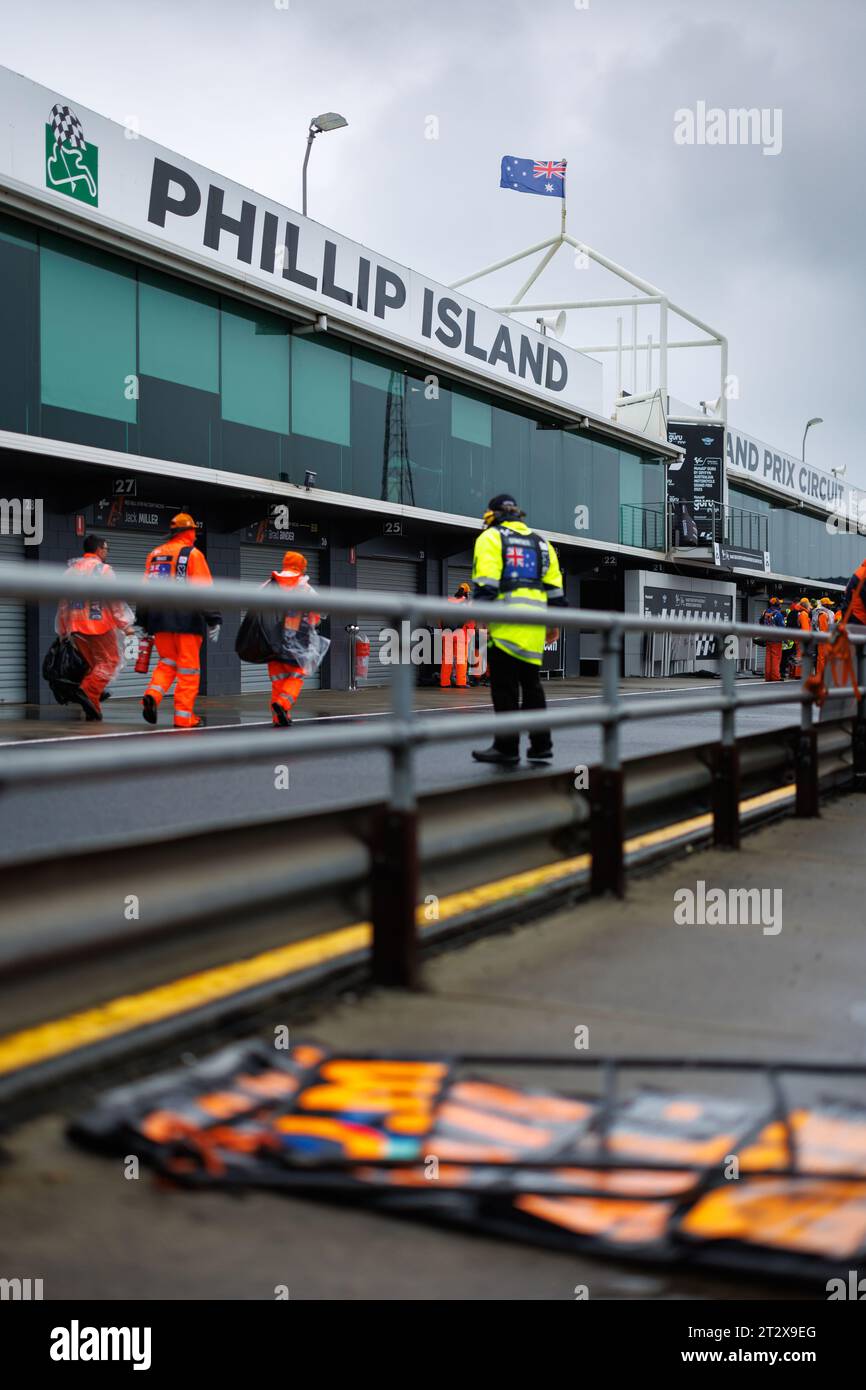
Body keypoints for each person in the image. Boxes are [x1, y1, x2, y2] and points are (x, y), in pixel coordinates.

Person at [470, 493, 565, 765]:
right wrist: (553, 623)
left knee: (505, 689)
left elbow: (486, 582)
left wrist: (480, 615)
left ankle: (507, 748)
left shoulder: (490, 538)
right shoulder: (541, 543)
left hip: (505, 626)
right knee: (532, 686)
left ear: (492, 515)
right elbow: (555, 590)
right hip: (534, 627)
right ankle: (541, 745)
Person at [137, 514, 221, 729]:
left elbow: (145, 590)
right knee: (188, 669)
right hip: (186, 619)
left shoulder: (154, 554)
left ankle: (152, 695)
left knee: (167, 662)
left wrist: (143, 621)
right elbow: (203, 589)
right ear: (190, 532)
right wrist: (213, 618)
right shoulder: (193, 554)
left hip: (159, 620)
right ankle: (184, 717)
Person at [55, 534, 136, 721]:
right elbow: (114, 601)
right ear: (99, 549)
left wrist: (63, 630)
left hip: (76, 627)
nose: (107, 552)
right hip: (99, 626)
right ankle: (86, 692)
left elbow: (63, 604)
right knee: (109, 662)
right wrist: (126, 625)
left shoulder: (71, 571)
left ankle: (93, 709)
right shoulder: (103, 570)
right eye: (106, 549)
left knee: (94, 667)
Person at [265, 551, 323, 726]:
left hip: (271, 640)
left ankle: (279, 717)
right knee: (296, 675)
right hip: (296, 639)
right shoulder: (304, 587)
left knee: (278, 680)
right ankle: (283, 704)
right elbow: (316, 615)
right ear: (301, 566)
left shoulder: (270, 583)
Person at [439, 582, 475, 689]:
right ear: (467, 593)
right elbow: (470, 622)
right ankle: (461, 682)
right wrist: (469, 636)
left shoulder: (448, 601)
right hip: (461, 634)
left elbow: (440, 619)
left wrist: (443, 631)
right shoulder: (468, 604)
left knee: (447, 659)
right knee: (461, 660)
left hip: (447, 634)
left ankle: (444, 683)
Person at [758, 595, 784, 681]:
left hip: (767, 638)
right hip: (776, 639)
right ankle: (776, 677)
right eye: (780, 603)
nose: (781, 605)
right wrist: (786, 639)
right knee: (776, 658)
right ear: (777, 605)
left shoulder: (765, 612)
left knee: (768, 658)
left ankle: (768, 677)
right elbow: (782, 629)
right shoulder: (779, 615)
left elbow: (760, 622)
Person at [812, 597, 835, 683]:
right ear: (826, 605)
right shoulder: (823, 614)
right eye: (829, 604)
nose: (831, 606)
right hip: (824, 639)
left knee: (823, 657)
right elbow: (824, 628)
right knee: (822, 657)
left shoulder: (822, 613)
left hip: (824, 638)